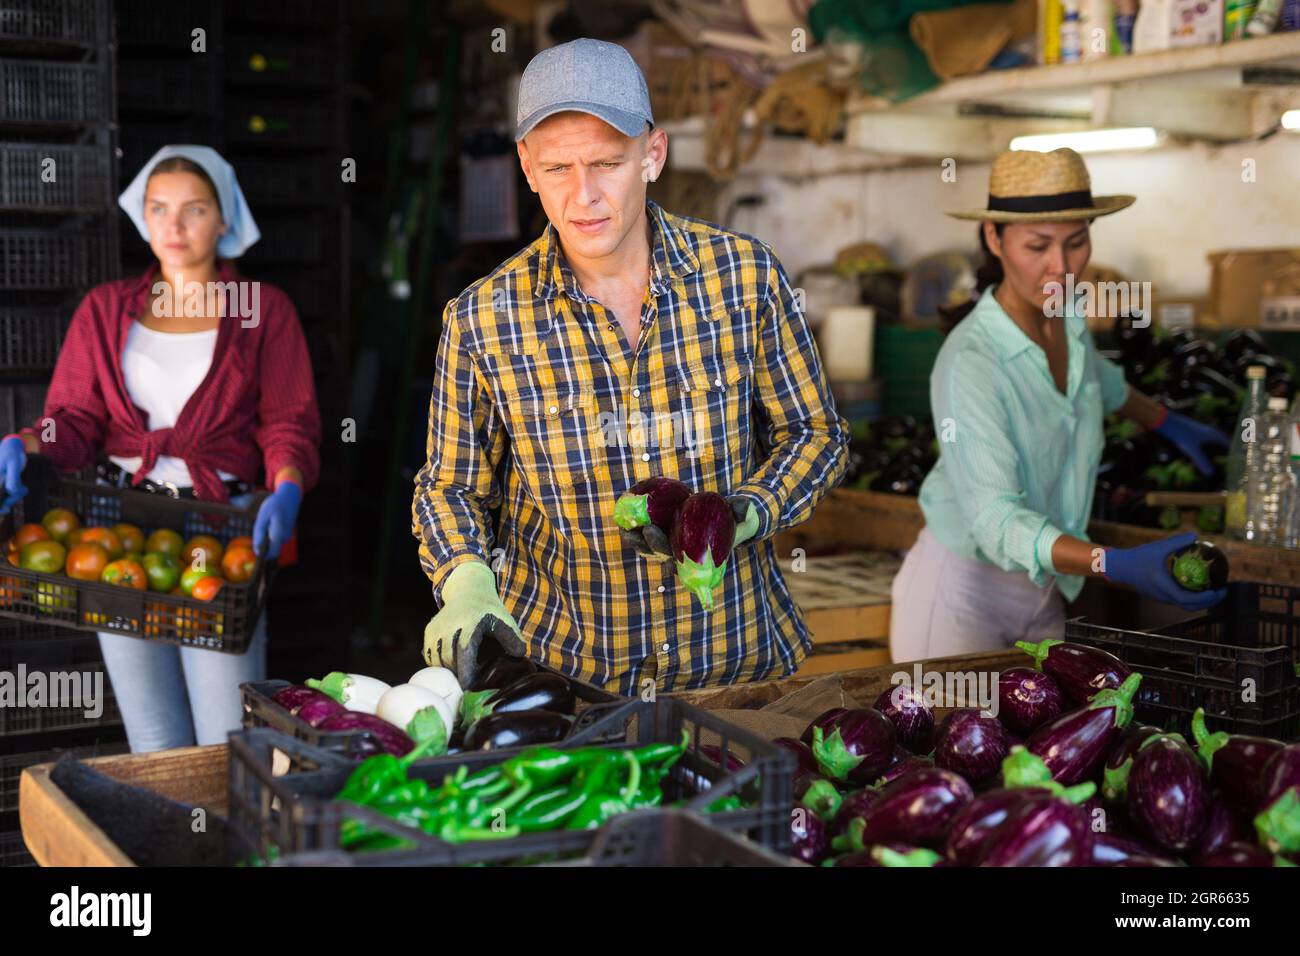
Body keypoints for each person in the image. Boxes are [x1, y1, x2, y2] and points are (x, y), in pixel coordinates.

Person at [413, 39, 849, 694]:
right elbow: (451, 488)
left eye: (607, 163)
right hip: (571, 685)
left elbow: (816, 435)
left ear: (653, 154)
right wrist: (468, 579)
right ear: (526, 167)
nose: (583, 195)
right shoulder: (484, 319)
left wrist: (747, 513)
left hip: (735, 672)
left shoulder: (743, 276)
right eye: (557, 168)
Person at [0, 145, 321, 751]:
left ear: (223, 219)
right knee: (151, 734)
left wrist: (285, 485)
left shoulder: (261, 312)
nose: (173, 226)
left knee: (228, 737)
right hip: (115, 528)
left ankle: (228, 842)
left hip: (221, 532)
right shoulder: (104, 310)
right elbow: (70, 420)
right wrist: (25, 443)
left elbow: (289, 421)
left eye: (193, 210)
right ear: (142, 217)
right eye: (159, 209)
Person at [890, 147, 1228, 662]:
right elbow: (998, 521)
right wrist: (1114, 564)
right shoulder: (971, 362)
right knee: (950, 739)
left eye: (1077, 242)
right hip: (963, 595)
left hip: (1047, 586)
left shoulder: (1066, 313)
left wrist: (1166, 421)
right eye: (1038, 246)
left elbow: (1100, 381)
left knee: (1040, 741)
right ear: (993, 239)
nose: (1062, 267)